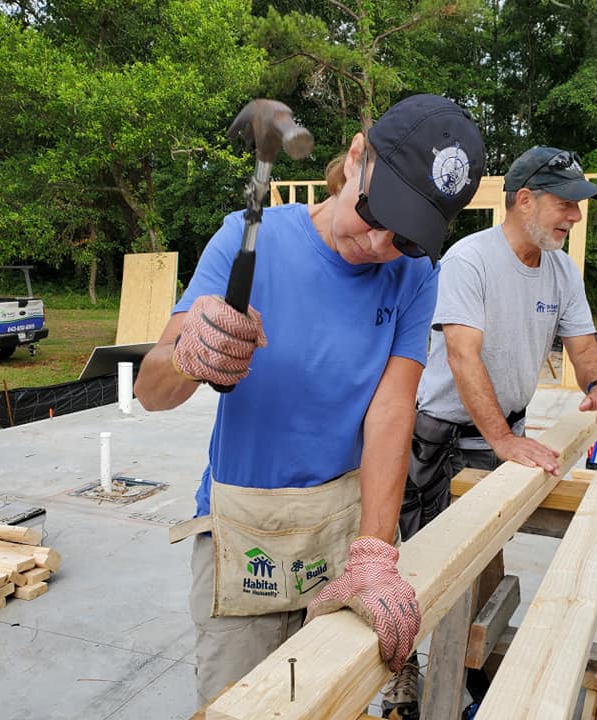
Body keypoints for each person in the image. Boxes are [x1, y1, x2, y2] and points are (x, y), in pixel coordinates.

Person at [133, 93, 486, 706]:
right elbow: (151, 391)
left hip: (344, 533)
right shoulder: (248, 241)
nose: (380, 243)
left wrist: (376, 552)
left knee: (331, 697)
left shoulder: (414, 276)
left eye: (405, 237)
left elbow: (391, 411)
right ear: (356, 158)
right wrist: (189, 354)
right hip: (246, 532)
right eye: (377, 213)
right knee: (239, 705)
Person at [384, 145, 597, 717]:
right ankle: (405, 677)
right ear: (524, 200)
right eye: (565, 204)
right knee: (423, 563)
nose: (576, 216)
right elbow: (464, 358)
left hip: (498, 431)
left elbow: (583, 345)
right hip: (438, 436)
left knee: (484, 560)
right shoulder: (471, 261)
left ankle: (475, 679)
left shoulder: (561, 269)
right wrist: (503, 440)